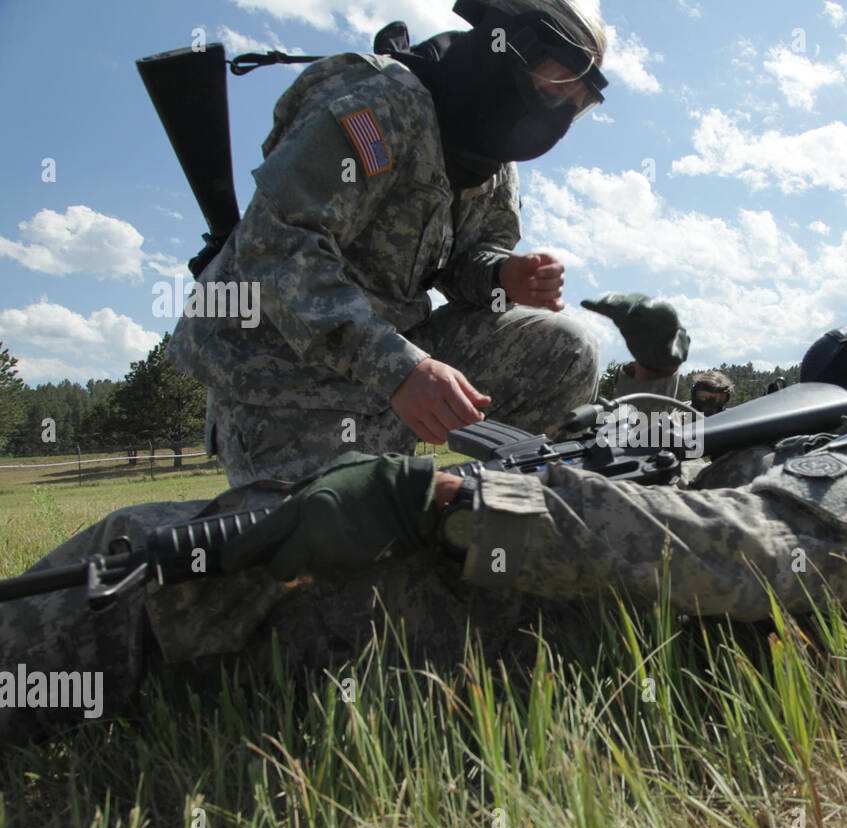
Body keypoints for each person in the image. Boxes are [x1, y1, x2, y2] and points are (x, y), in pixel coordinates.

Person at [0, 295, 847, 745]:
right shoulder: (771, 437)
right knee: (148, 559)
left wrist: (451, 500)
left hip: (475, 629)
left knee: (141, 570)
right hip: (461, 604)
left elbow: (743, 552)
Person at [167, 0, 611, 487]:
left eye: (579, 101)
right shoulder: (378, 101)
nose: (563, 109)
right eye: (558, 84)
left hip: (394, 357)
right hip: (283, 370)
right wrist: (398, 369)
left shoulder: (492, 159)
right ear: (514, 47)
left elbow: (463, 258)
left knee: (566, 349)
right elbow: (277, 246)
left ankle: (491, 510)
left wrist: (498, 274)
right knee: (328, 549)